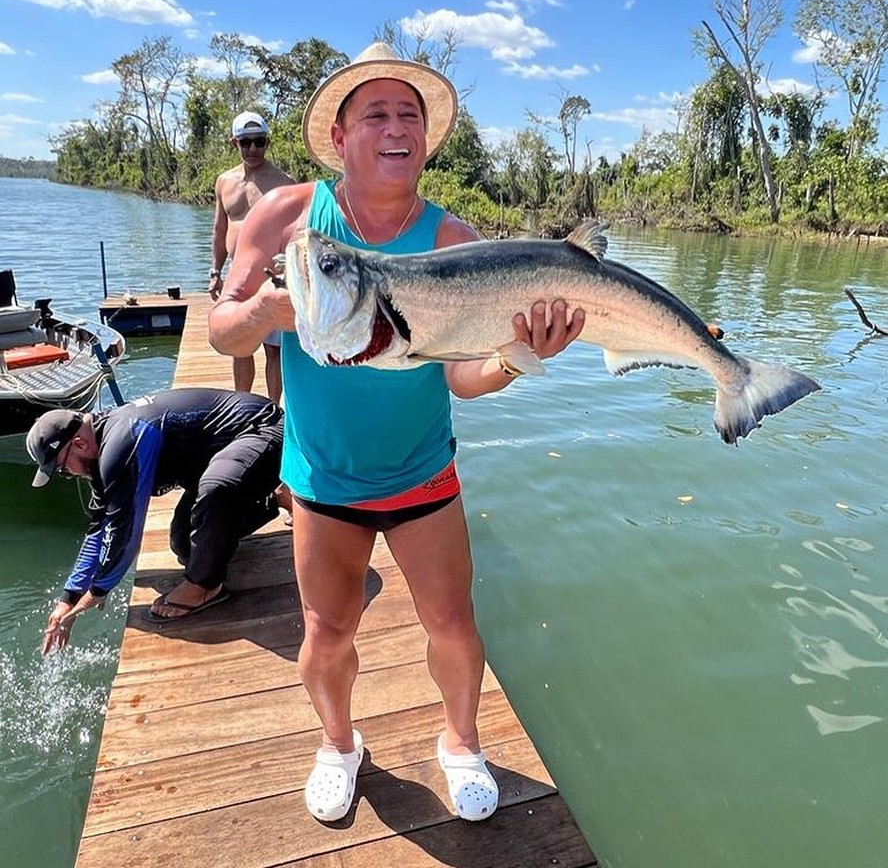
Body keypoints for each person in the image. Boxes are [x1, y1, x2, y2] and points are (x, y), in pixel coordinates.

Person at [208, 42, 585, 823]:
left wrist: (518, 358)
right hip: (322, 479)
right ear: (338, 137)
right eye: (374, 112)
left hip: (422, 475)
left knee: (453, 623)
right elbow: (221, 334)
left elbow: (462, 379)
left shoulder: (456, 241)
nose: (394, 127)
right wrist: (266, 313)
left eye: (408, 114)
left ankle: (461, 744)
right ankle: (338, 747)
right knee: (325, 630)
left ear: (426, 138)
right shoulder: (284, 216)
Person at [27, 389, 286, 654]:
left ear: (80, 444)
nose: (69, 474)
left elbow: (125, 534)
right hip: (227, 454)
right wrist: (68, 598)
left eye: (63, 469)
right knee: (185, 543)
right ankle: (270, 499)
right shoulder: (103, 450)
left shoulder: (122, 442)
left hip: (266, 431)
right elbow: (99, 529)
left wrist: (96, 593)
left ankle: (205, 588)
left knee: (216, 489)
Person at [207, 111, 295, 404]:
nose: (254, 149)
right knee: (239, 345)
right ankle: (240, 407)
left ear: (268, 142)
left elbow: (294, 235)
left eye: (260, 142)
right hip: (236, 272)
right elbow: (220, 229)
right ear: (235, 143)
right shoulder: (224, 182)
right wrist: (215, 271)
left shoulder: (284, 182)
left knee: (274, 349)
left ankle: (272, 409)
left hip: (270, 272)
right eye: (246, 143)